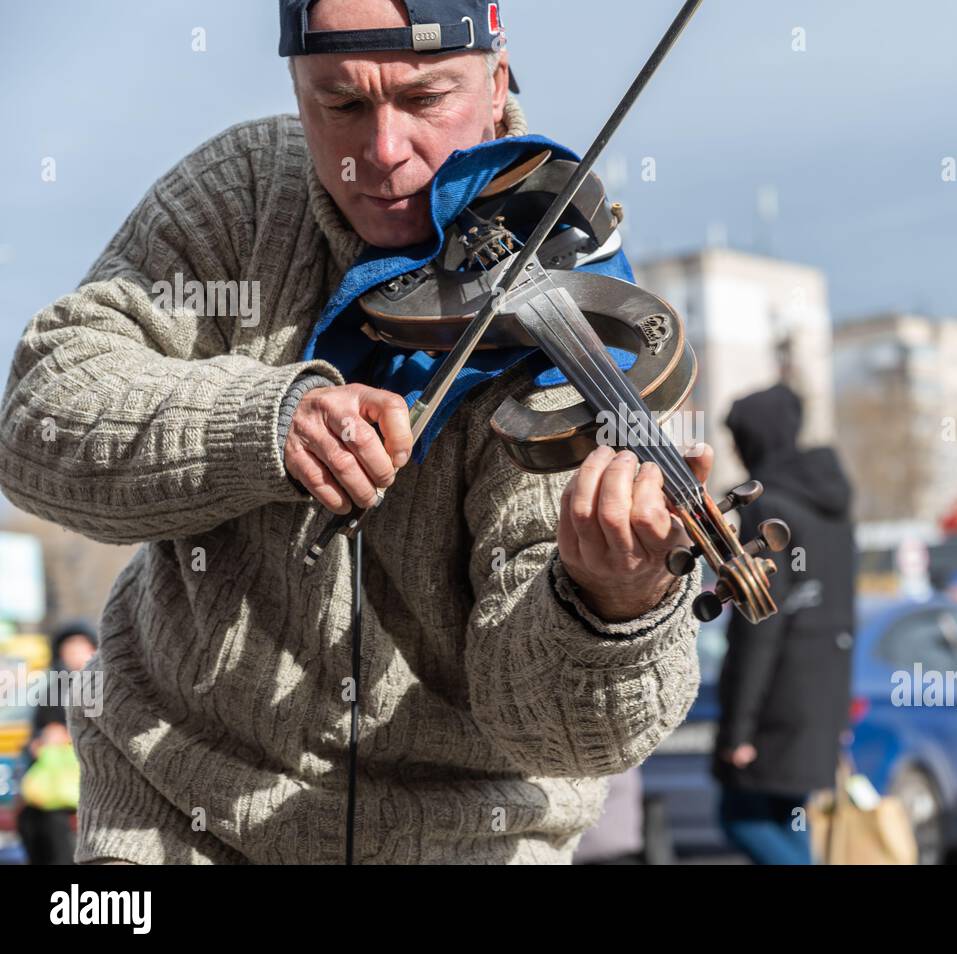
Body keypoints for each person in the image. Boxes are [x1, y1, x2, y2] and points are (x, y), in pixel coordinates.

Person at [0, 0, 708, 864]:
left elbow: (565, 735)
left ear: (496, 74)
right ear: (296, 86)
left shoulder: (571, 303)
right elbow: (38, 415)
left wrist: (611, 606)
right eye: (340, 104)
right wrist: (261, 422)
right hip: (171, 807)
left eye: (425, 99)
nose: (382, 154)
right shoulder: (241, 194)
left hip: (467, 840)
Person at [711, 384, 856, 865]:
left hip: (776, 702)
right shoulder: (831, 506)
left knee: (742, 818)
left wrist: (739, 728)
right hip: (821, 694)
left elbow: (761, 625)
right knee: (787, 814)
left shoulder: (766, 507)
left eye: (738, 439)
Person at [17, 621, 98, 865]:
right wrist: (41, 742)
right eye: (69, 648)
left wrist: (69, 738)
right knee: (31, 820)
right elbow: (36, 734)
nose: (74, 655)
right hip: (55, 783)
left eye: (80, 648)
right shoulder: (54, 690)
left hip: (92, 780)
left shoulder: (104, 686)